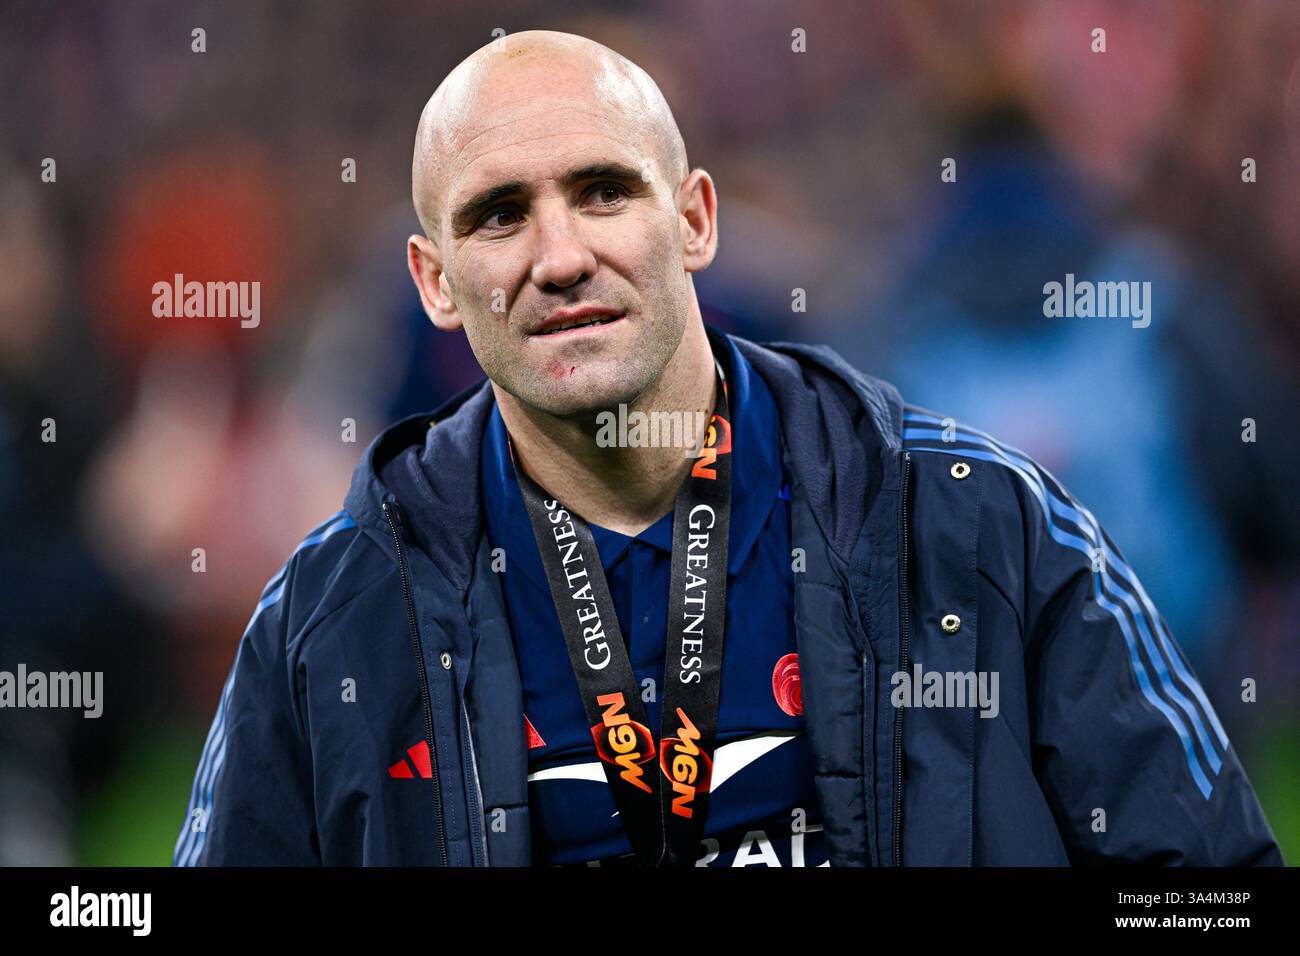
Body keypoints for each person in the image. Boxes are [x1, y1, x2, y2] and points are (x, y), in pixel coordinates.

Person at [173, 30, 1283, 867]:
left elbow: (1207, 880)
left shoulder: (979, 527)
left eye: (603, 191)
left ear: (697, 219)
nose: (559, 255)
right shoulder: (335, 619)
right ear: (433, 283)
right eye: (499, 214)